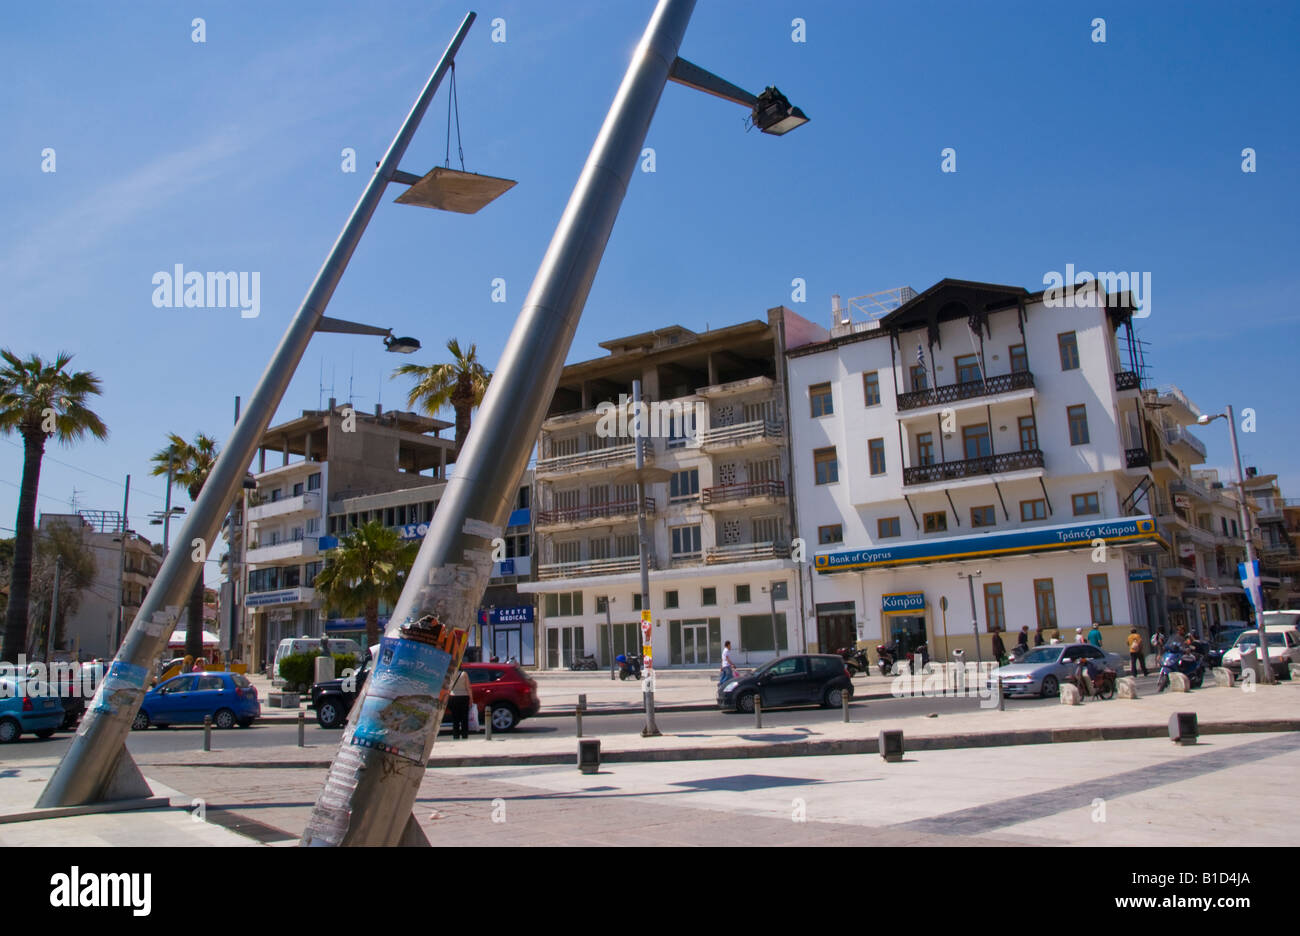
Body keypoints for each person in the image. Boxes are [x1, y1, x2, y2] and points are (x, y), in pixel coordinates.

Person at [448, 667, 471, 739]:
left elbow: (447, 687)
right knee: (464, 719)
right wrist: (471, 699)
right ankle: (464, 736)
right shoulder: (464, 674)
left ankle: (456, 736)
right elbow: (468, 687)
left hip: (453, 696)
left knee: (455, 719)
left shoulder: (450, 674)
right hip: (464, 697)